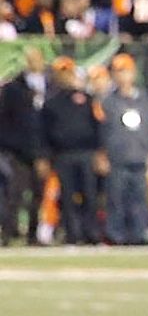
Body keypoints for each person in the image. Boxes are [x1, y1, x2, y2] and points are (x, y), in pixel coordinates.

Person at [39, 57, 104, 245]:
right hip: (63, 154)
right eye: (61, 72)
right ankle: (72, 233)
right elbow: (43, 131)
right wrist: (44, 156)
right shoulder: (51, 101)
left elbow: (97, 125)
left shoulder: (86, 98)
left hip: (86, 152)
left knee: (90, 195)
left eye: (68, 71)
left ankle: (91, 233)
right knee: (67, 196)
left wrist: (100, 152)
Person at [100, 54, 148, 245]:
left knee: (140, 199)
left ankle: (138, 234)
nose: (121, 76)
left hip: (138, 155)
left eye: (124, 71)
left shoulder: (143, 99)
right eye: (117, 72)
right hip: (117, 157)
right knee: (116, 199)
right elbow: (103, 130)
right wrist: (103, 154)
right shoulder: (109, 101)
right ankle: (116, 234)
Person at [0, 46, 47, 244]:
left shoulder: (50, 85)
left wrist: (44, 152)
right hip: (17, 151)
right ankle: (8, 232)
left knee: (38, 195)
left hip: (43, 150)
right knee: (14, 193)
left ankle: (33, 234)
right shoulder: (13, 88)